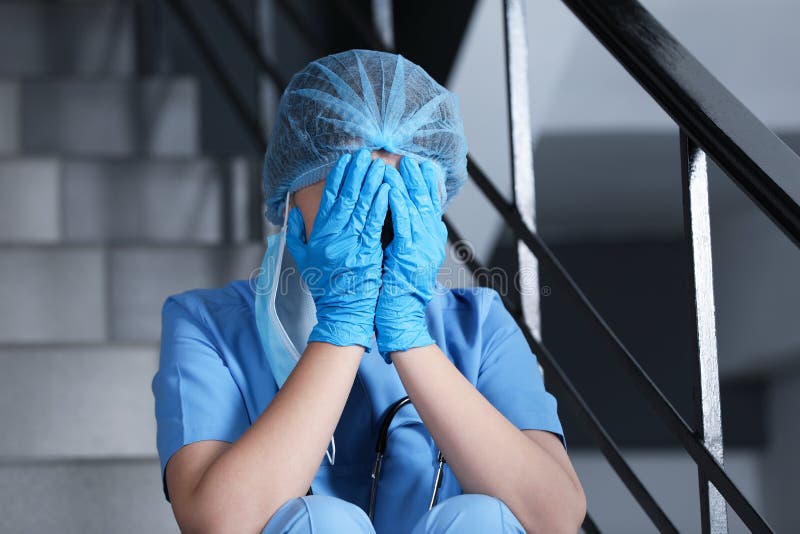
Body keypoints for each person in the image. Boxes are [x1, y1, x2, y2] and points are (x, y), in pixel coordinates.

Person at [151, 49, 586, 533]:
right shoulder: (205, 324)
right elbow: (219, 524)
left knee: (480, 518)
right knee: (321, 522)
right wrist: (342, 328)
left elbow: (556, 519)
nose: (377, 223)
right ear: (290, 206)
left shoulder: (478, 323)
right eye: (351, 197)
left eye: (403, 199)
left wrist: (407, 336)